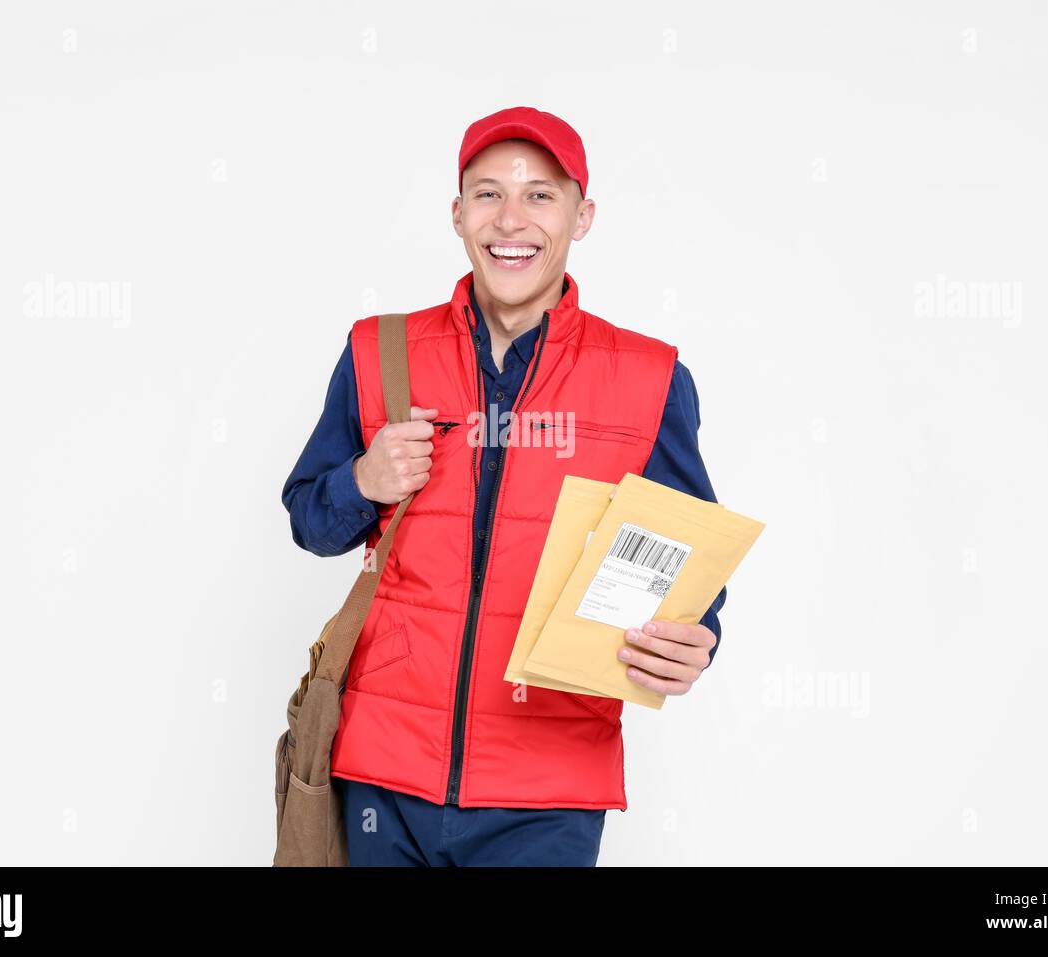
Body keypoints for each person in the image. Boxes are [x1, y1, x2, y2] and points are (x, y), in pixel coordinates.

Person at [281, 106, 726, 866]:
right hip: (383, 777)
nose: (510, 220)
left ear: (582, 216)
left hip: (546, 795)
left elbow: (688, 564)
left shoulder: (650, 378)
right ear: (457, 214)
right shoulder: (377, 352)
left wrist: (700, 639)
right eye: (487, 194)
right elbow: (310, 521)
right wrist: (364, 478)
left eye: (540, 195)